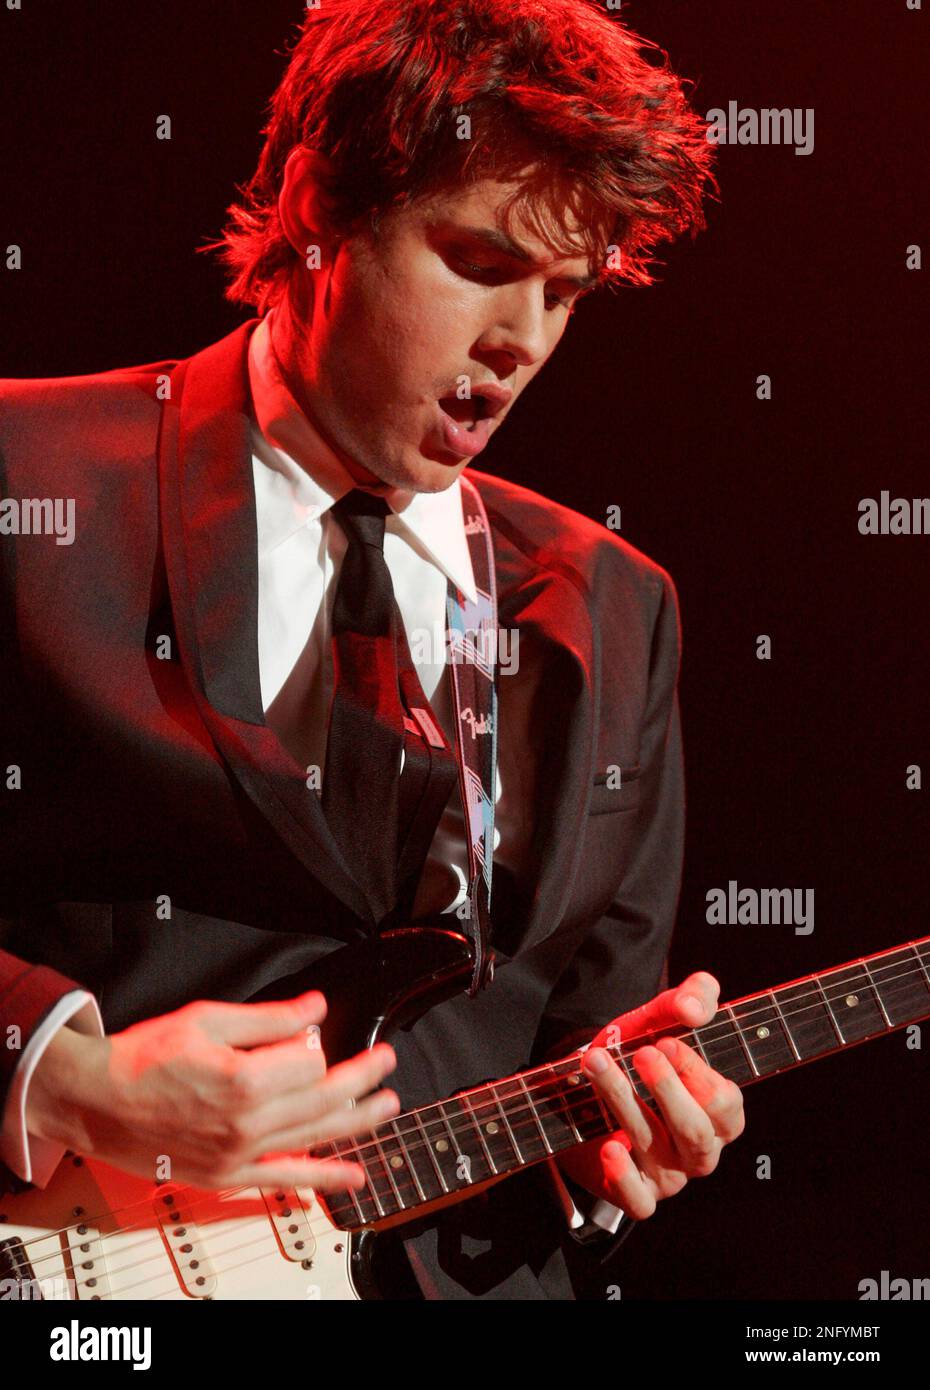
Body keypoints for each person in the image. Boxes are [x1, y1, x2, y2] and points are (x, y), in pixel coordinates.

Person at [0, 0, 744, 1299]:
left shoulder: (613, 608)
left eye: (564, 292)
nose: (520, 342)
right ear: (318, 204)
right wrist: (59, 1072)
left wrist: (615, 1143)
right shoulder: (31, 478)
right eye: (475, 259)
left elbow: (583, 1041)